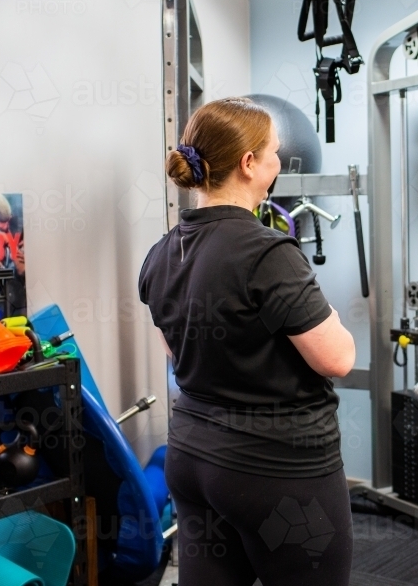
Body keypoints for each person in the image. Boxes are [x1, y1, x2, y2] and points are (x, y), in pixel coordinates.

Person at [138, 97, 356, 586]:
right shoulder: (267, 252)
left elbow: (178, 351)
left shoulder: (160, 253)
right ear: (249, 163)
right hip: (275, 471)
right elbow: (338, 358)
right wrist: (331, 316)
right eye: (274, 153)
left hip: (193, 461)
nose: (280, 164)